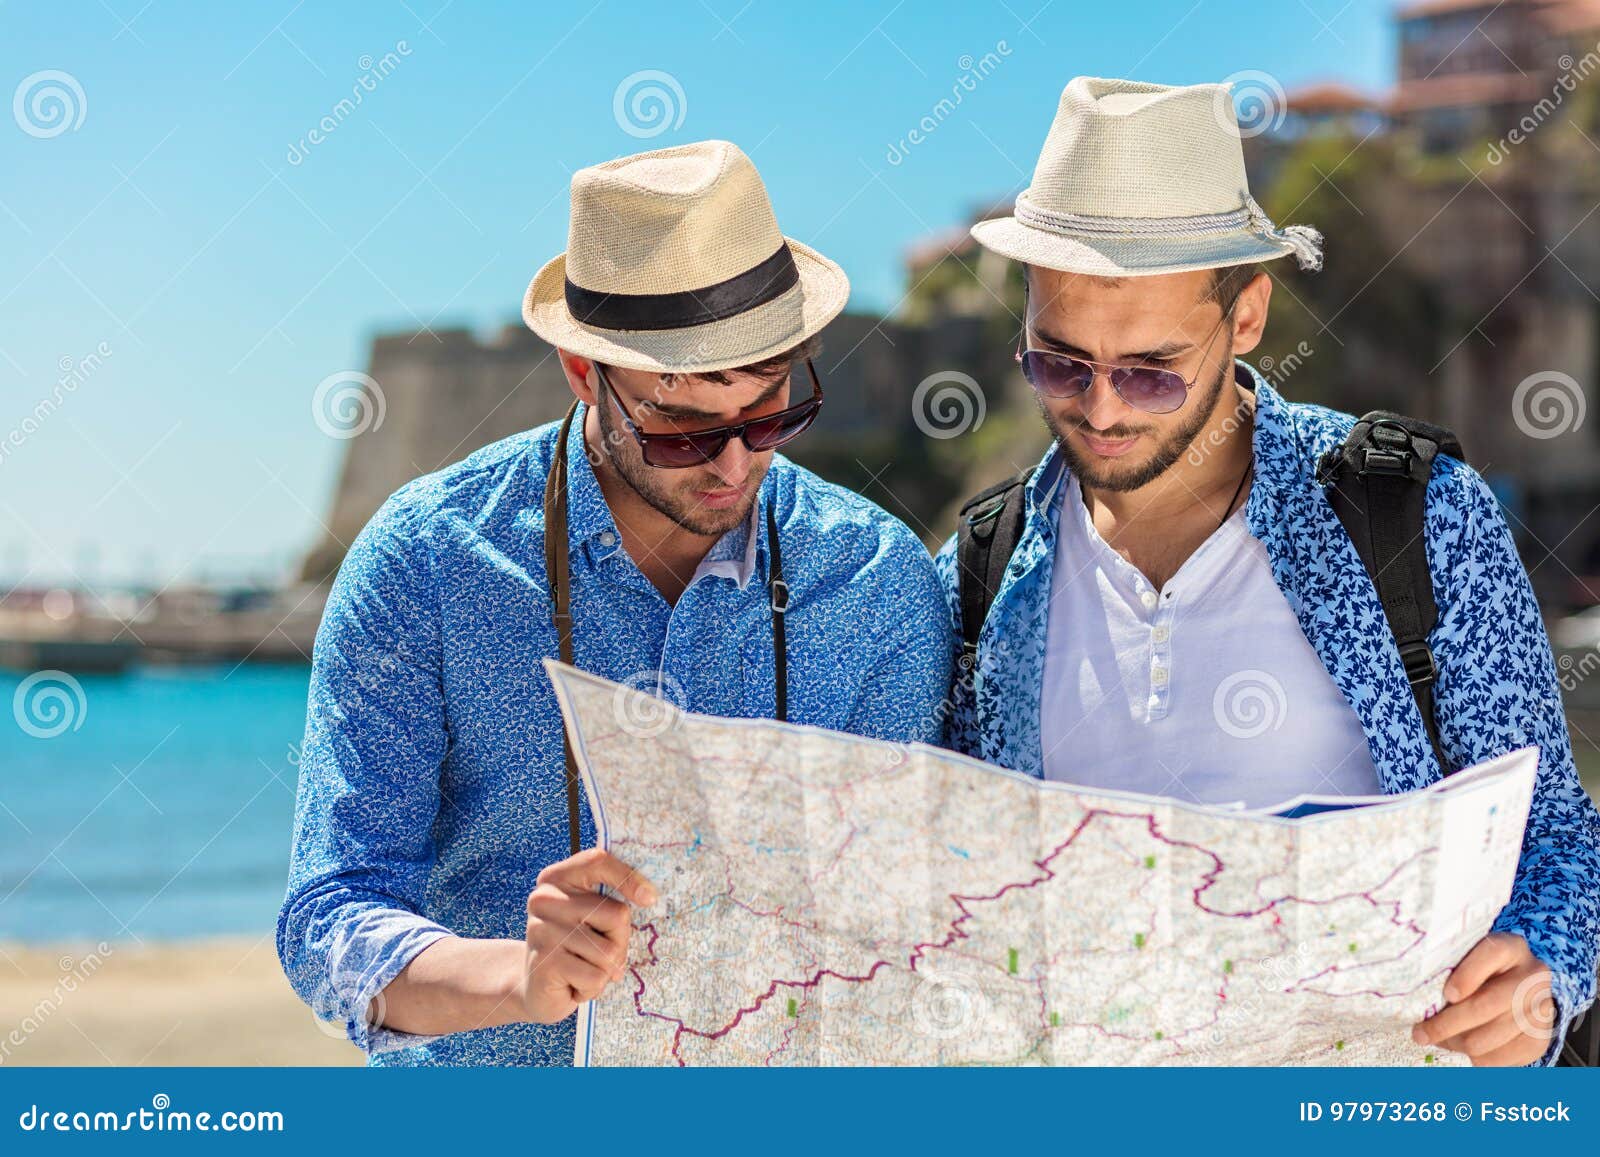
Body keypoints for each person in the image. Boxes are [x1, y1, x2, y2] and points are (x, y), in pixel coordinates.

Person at [937, 76, 1599, 1066]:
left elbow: (1556, 832)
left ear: (1245, 316)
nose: (1103, 409)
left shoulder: (1418, 516)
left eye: (1151, 370)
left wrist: (1542, 973)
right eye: (1059, 364)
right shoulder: (980, 575)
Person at [279, 140, 951, 1065]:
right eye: (684, 427)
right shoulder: (423, 563)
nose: (733, 463)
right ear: (582, 373)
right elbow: (329, 919)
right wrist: (515, 977)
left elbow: (911, 928)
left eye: (769, 413)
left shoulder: (877, 583)